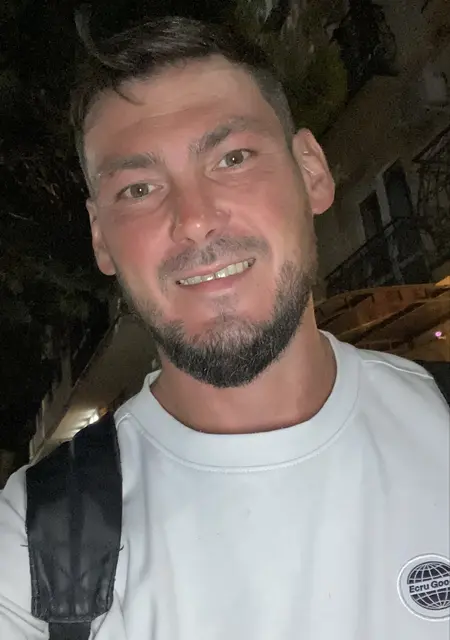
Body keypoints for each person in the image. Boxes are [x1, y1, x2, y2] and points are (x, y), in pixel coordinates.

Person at [0, 15, 449, 640]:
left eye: (232, 158)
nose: (194, 219)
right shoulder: (30, 545)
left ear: (312, 171)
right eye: (139, 189)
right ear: (100, 237)